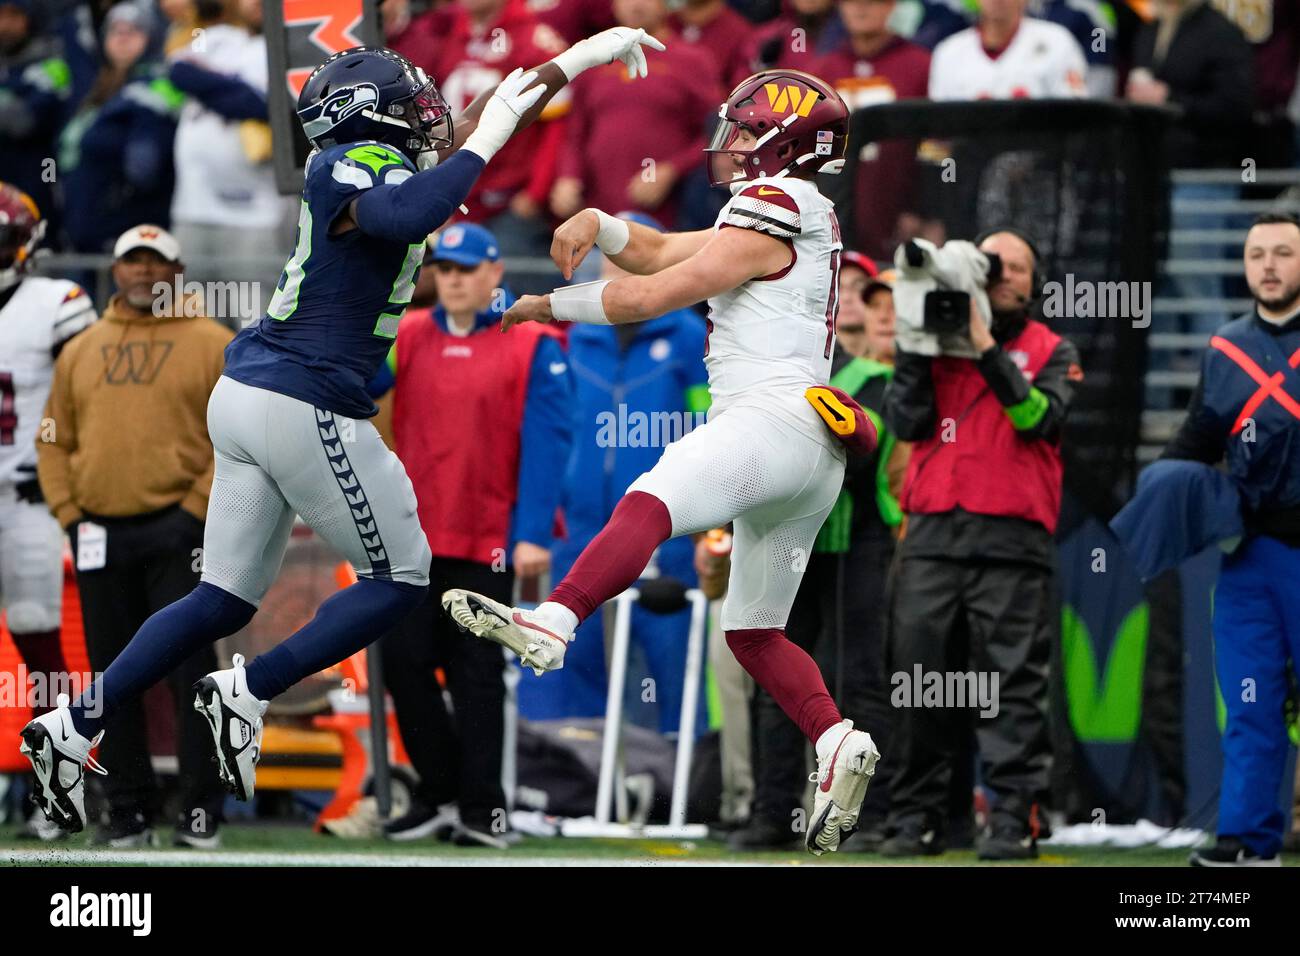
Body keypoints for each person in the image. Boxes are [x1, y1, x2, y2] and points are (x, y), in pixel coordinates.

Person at [19, 30, 665, 834]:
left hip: (256, 392)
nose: (430, 114)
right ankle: (249, 690)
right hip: (300, 395)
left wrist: (581, 55)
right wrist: (491, 139)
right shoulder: (351, 166)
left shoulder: (375, 158)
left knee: (221, 596)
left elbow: (490, 113)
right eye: (413, 103)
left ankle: (74, 720)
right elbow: (414, 209)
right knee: (400, 578)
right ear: (372, 114)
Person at [445, 68, 883, 856]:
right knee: (753, 633)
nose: (733, 144)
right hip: (811, 451)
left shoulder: (776, 203)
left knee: (649, 496)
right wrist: (602, 223)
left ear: (784, 140)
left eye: (747, 131)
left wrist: (550, 304)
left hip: (771, 419)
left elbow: (652, 297)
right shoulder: (793, 211)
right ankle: (835, 738)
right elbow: (653, 252)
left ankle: (554, 621)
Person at [881, 229, 1081, 860]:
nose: (1001, 277)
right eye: (991, 266)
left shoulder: (1053, 347)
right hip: (934, 533)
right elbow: (907, 425)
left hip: (1011, 538)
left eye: (1015, 268)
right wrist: (915, 347)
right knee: (919, 682)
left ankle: (1012, 821)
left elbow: (1037, 420)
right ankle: (916, 820)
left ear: (1033, 282)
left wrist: (986, 347)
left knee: (1013, 687)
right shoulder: (935, 341)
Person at [370, 222, 572, 848]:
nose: (453, 279)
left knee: (477, 673)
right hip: (411, 539)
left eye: (465, 269)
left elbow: (548, 443)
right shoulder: (408, 334)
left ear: (494, 275)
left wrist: (532, 532)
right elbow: (357, 386)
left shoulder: (534, 342)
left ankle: (483, 809)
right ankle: (441, 790)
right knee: (402, 665)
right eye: (445, 269)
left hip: (486, 537)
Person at [35, 224, 231, 848]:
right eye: (132, 263)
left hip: (181, 534)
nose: (143, 273)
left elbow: (240, 437)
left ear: (177, 272)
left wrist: (196, 506)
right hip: (97, 532)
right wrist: (69, 512)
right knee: (110, 678)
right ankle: (128, 812)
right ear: (114, 271)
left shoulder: (212, 343)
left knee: (190, 670)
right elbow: (51, 439)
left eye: (156, 263)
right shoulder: (81, 348)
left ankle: (201, 813)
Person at [729, 253, 907, 853]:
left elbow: (859, 459)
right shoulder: (783, 373)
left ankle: (865, 816)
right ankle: (772, 811)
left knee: (856, 678)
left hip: (856, 542)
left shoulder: (875, 376)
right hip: (792, 537)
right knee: (774, 674)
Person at [531, 212, 712, 735]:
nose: (622, 266)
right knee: (574, 654)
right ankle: (580, 783)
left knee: (674, 658)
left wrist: (706, 526)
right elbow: (551, 434)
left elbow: (710, 427)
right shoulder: (575, 334)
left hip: (667, 531)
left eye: (631, 254)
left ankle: (687, 783)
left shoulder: (690, 336)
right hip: (582, 527)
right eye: (612, 256)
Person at [1162, 214, 1300, 867]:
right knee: (1250, 701)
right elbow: (1196, 443)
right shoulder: (1227, 350)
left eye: (1283, 253)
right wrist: (1165, 491)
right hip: (1249, 556)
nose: (1268, 265)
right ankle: (1249, 840)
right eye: (1256, 254)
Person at [0, 183, 95, 841]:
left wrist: (67, 477)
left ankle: (57, 789)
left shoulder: (56, 303)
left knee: (39, 641)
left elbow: (91, 398)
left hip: (27, 494)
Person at [390, 0, 571, 267]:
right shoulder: (449, 33)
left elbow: (557, 125)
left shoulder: (533, 37)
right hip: (460, 192)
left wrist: (536, 192)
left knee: (503, 288)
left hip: (509, 197)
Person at [550, 0, 722, 229]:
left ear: (666, 5)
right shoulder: (592, 59)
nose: (636, 4)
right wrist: (568, 177)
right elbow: (575, 134)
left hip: (670, 222)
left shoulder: (692, 60)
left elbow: (719, 131)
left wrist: (671, 170)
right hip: (598, 218)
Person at [809, 0, 929, 259]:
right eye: (851, 2)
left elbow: (931, 145)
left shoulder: (919, 64)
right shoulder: (823, 69)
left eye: (872, 2)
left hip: (895, 199)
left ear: (891, 6)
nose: (860, 8)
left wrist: (921, 208)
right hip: (834, 200)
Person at [59, 3, 181, 256]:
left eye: (134, 30)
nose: (123, 37)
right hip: (81, 231)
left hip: (124, 239)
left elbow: (144, 171)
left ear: (153, 38)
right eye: (116, 30)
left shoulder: (155, 88)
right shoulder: (96, 88)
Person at [928, 0, 1089, 100]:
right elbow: (940, 132)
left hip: (1039, 151)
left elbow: (1075, 114)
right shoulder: (948, 52)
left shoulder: (1057, 42)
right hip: (970, 153)